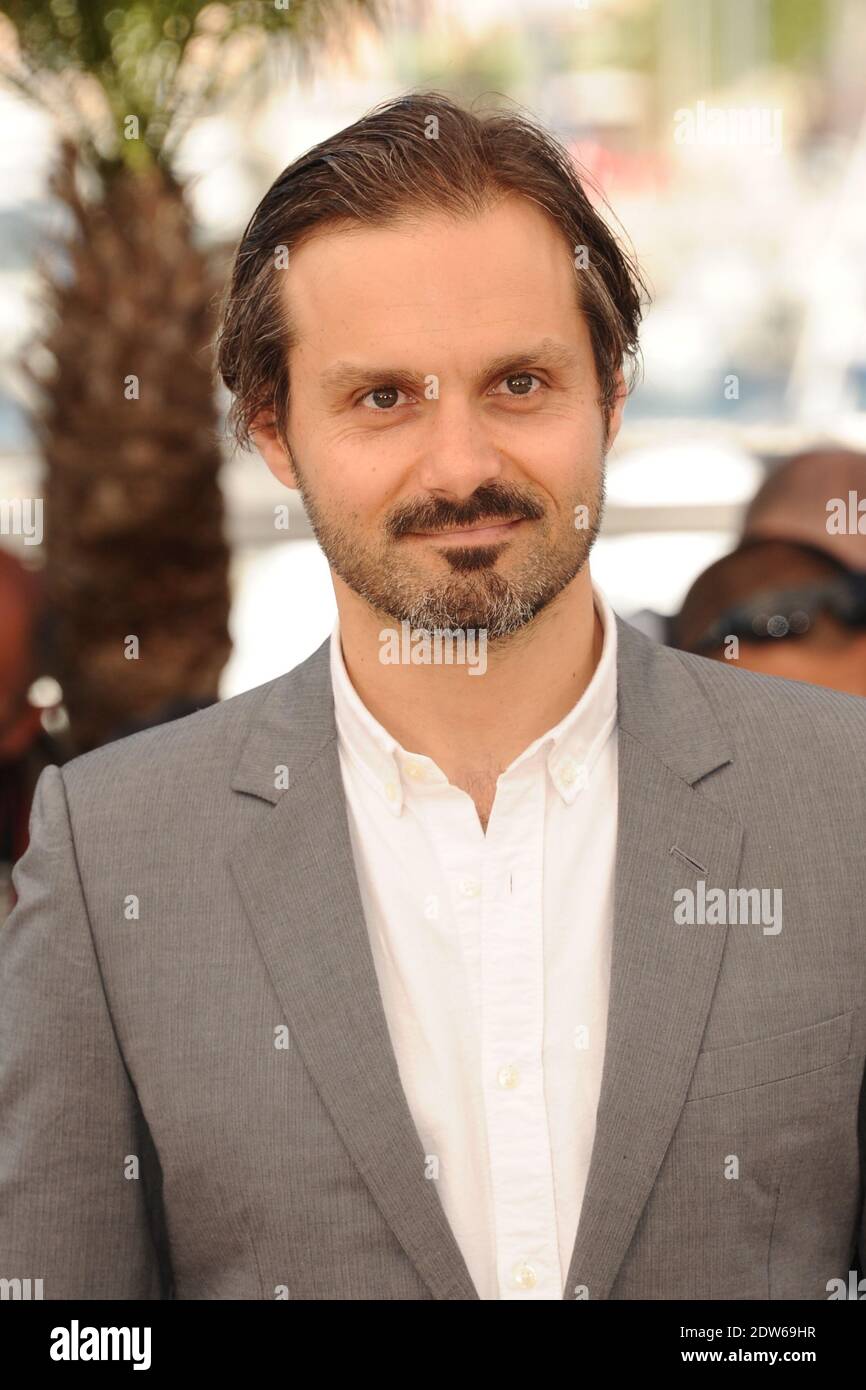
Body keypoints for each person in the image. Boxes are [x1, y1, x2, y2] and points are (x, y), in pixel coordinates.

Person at [1, 91, 865, 1302]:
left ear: (608, 397)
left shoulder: (846, 798)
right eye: (382, 397)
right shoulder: (111, 857)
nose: (460, 466)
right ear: (274, 435)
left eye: (518, 383)